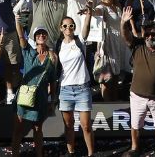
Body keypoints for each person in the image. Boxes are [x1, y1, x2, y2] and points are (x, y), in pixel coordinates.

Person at [120, 6, 155, 157]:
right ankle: (134, 148)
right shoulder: (137, 45)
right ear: (143, 33)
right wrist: (123, 23)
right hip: (137, 96)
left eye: (153, 34)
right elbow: (126, 36)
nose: (149, 37)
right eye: (147, 33)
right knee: (135, 124)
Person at [10, 26, 57, 157]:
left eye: (43, 33)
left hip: (40, 98)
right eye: (38, 34)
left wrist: (52, 100)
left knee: (37, 129)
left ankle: (39, 154)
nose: (41, 36)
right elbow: (21, 37)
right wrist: (17, 19)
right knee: (18, 128)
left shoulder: (52, 57)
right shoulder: (29, 52)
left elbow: (52, 81)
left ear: (47, 36)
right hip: (24, 96)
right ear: (34, 38)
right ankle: (15, 154)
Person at [57, 12, 96, 157]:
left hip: (82, 88)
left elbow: (86, 27)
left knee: (86, 126)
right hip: (65, 89)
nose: (68, 28)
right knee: (68, 126)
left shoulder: (80, 41)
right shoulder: (58, 45)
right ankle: (71, 152)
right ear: (61, 28)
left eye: (71, 26)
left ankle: (91, 153)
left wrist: (89, 13)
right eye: (65, 26)